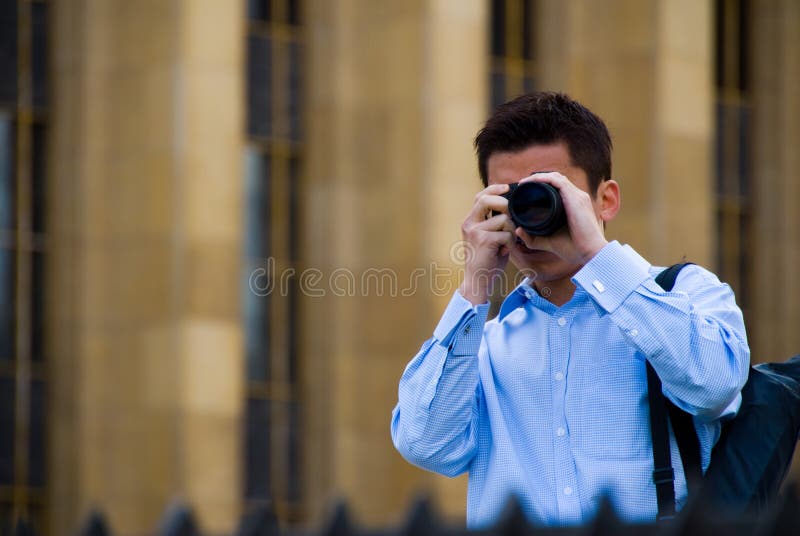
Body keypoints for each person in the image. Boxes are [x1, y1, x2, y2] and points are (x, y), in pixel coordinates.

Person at [390, 92, 750, 528]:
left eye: (551, 194)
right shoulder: (482, 342)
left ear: (606, 200)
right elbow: (426, 445)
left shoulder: (686, 293)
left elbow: (713, 385)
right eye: (511, 200)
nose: (530, 218)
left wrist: (596, 255)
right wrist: (475, 285)